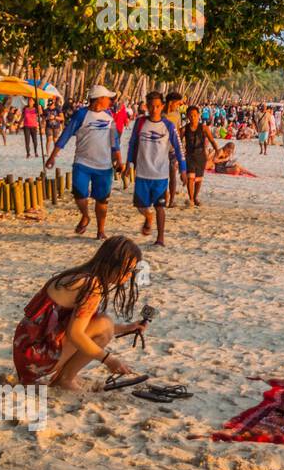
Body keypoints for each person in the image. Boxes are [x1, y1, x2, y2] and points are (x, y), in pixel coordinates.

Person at [12, 236, 149, 390]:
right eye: (128, 270)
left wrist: (126, 328)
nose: (129, 275)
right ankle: (65, 379)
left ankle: (64, 375)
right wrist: (108, 360)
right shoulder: (91, 287)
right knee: (104, 323)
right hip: (35, 357)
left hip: (25, 350)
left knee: (105, 323)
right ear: (113, 264)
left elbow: (83, 324)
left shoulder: (80, 275)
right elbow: (75, 334)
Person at [46, 85, 125, 239]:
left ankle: (100, 230)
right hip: (82, 162)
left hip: (104, 165)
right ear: (100, 99)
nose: (110, 101)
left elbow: (114, 141)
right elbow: (66, 135)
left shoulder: (109, 116)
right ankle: (85, 216)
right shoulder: (81, 114)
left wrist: (119, 161)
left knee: (102, 199)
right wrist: (52, 156)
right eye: (108, 98)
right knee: (79, 193)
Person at [126, 91, 187, 247]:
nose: (154, 109)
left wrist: (183, 170)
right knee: (141, 206)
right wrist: (128, 164)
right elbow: (132, 143)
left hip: (160, 173)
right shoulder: (140, 123)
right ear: (146, 106)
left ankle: (160, 239)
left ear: (162, 106)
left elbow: (179, 148)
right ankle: (148, 217)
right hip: (142, 172)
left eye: (158, 106)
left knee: (160, 207)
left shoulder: (168, 125)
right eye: (151, 106)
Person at [180, 105, 219, 207]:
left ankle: (196, 197)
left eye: (195, 115)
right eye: (190, 116)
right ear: (187, 116)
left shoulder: (204, 128)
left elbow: (212, 140)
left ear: (199, 115)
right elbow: (178, 143)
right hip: (189, 156)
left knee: (198, 179)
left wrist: (217, 151)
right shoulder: (184, 129)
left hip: (201, 156)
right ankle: (191, 199)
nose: (193, 117)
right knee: (190, 178)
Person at [163, 92, 183, 207]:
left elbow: (178, 130)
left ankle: (171, 200)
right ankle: (164, 197)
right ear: (171, 102)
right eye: (177, 103)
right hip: (161, 149)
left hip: (173, 148)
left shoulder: (177, 115)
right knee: (162, 174)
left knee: (172, 174)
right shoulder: (161, 114)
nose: (178, 106)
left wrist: (180, 146)